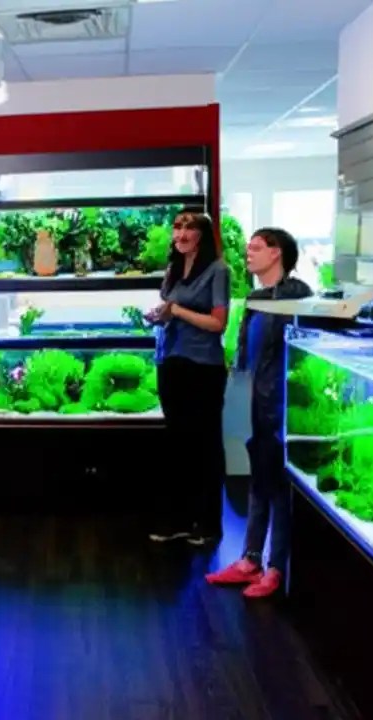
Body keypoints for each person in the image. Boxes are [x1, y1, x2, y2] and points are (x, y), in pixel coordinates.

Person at [205, 227, 311, 598]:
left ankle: (276, 568)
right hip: (252, 401)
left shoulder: (297, 297)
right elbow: (245, 352)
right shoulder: (253, 297)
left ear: (277, 253)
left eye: (256, 248)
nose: (248, 253)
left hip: (280, 408)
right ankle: (250, 559)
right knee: (258, 481)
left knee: (279, 487)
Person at [145, 209, 230, 546]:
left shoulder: (218, 271)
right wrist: (158, 315)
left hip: (203, 367)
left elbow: (218, 323)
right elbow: (169, 310)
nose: (180, 233)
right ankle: (179, 520)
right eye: (176, 227)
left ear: (202, 235)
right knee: (178, 444)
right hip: (171, 361)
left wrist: (176, 311)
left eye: (188, 227)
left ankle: (208, 523)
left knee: (205, 444)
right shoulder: (174, 268)